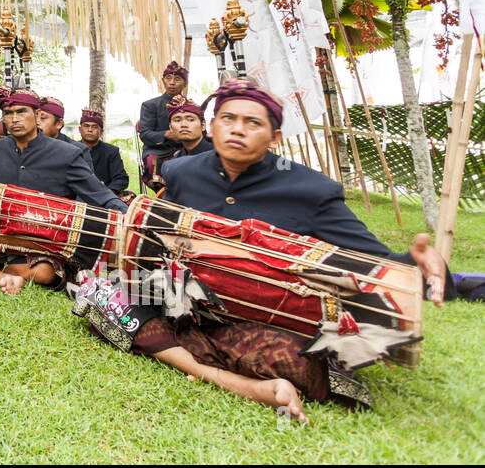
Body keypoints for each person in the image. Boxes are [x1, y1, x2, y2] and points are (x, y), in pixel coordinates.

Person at [128, 78, 454, 423]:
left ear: (275, 137)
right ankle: (239, 382)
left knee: (296, 356)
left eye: (252, 123)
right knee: (105, 294)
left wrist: (421, 265)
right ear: (212, 126)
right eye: (228, 119)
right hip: (193, 309)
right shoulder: (180, 171)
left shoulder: (311, 190)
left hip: (262, 321)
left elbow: (373, 262)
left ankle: (190, 354)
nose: (237, 130)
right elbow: (164, 239)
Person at [0, 88, 126, 294]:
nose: (14, 119)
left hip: (46, 243)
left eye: (21, 111)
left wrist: (128, 217)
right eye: (8, 113)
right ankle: (2, 275)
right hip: (1, 237)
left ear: (36, 115)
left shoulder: (69, 154)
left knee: (45, 272)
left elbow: (100, 195)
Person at [141, 95, 212, 192]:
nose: (183, 125)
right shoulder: (171, 165)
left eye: (190, 119)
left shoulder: (218, 157)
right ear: (170, 127)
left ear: (203, 125)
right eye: (177, 120)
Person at [138, 60, 188, 170]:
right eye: (168, 78)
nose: (172, 82)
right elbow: (145, 135)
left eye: (177, 79)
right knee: (153, 165)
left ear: (185, 84)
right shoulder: (150, 105)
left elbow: (202, 135)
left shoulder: (191, 107)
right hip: (158, 151)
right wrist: (166, 134)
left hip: (186, 150)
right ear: (163, 81)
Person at [78, 108, 128, 195]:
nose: (90, 130)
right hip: (77, 194)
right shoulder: (71, 149)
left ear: (101, 132)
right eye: (86, 126)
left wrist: (109, 193)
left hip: (105, 193)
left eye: (94, 127)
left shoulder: (111, 151)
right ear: (80, 129)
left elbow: (121, 178)